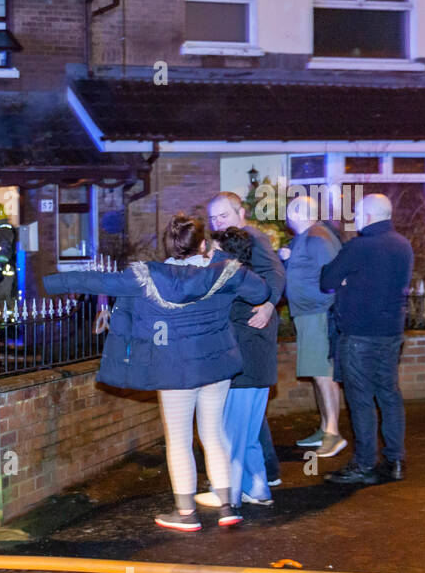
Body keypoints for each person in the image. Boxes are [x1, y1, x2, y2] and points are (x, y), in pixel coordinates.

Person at [44, 214, 270, 532]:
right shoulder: (225, 271)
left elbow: (98, 282)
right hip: (216, 366)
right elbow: (260, 292)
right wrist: (219, 258)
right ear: (203, 244)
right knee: (214, 434)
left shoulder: (148, 276)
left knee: (178, 441)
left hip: (173, 370)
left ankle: (186, 513)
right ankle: (226, 507)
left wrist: (51, 282)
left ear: (170, 246)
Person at [320, 193, 414, 484]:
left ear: (369, 216)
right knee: (389, 393)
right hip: (392, 333)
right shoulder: (404, 245)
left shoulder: (359, 247)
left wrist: (346, 282)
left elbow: (326, 281)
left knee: (360, 399)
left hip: (359, 334)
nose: (355, 219)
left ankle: (363, 465)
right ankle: (396, 460)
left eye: (358, 214)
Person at [207, 192, 285, 481]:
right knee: (250, 412)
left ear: (241, 212)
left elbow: (275, 273)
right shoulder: (231, 241)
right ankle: (263, 473)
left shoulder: (251, 236)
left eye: (222, 215)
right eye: (213, 217)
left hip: (251, 332)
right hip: (245, 331)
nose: (216, 222)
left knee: (244, 409)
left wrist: (267, 305)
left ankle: (249, 478)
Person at [212, 226, 278, 508]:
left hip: (241, 371)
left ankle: (231, 495)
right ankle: (259, 487)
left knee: (232, 437)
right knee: (250, 436)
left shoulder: (231, 284)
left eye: (214, 251)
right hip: (261, 370)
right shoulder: (256, 282)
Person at [284, 195, 346, 458]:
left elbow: (335, 276)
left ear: (298, 213)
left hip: (318, 315)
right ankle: (325, 428)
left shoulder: (318, 237)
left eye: (288, 211)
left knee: (323, 374)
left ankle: (333, 433)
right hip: (309, 315)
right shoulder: (308, 238)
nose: (286, 217)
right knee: (317, 373)